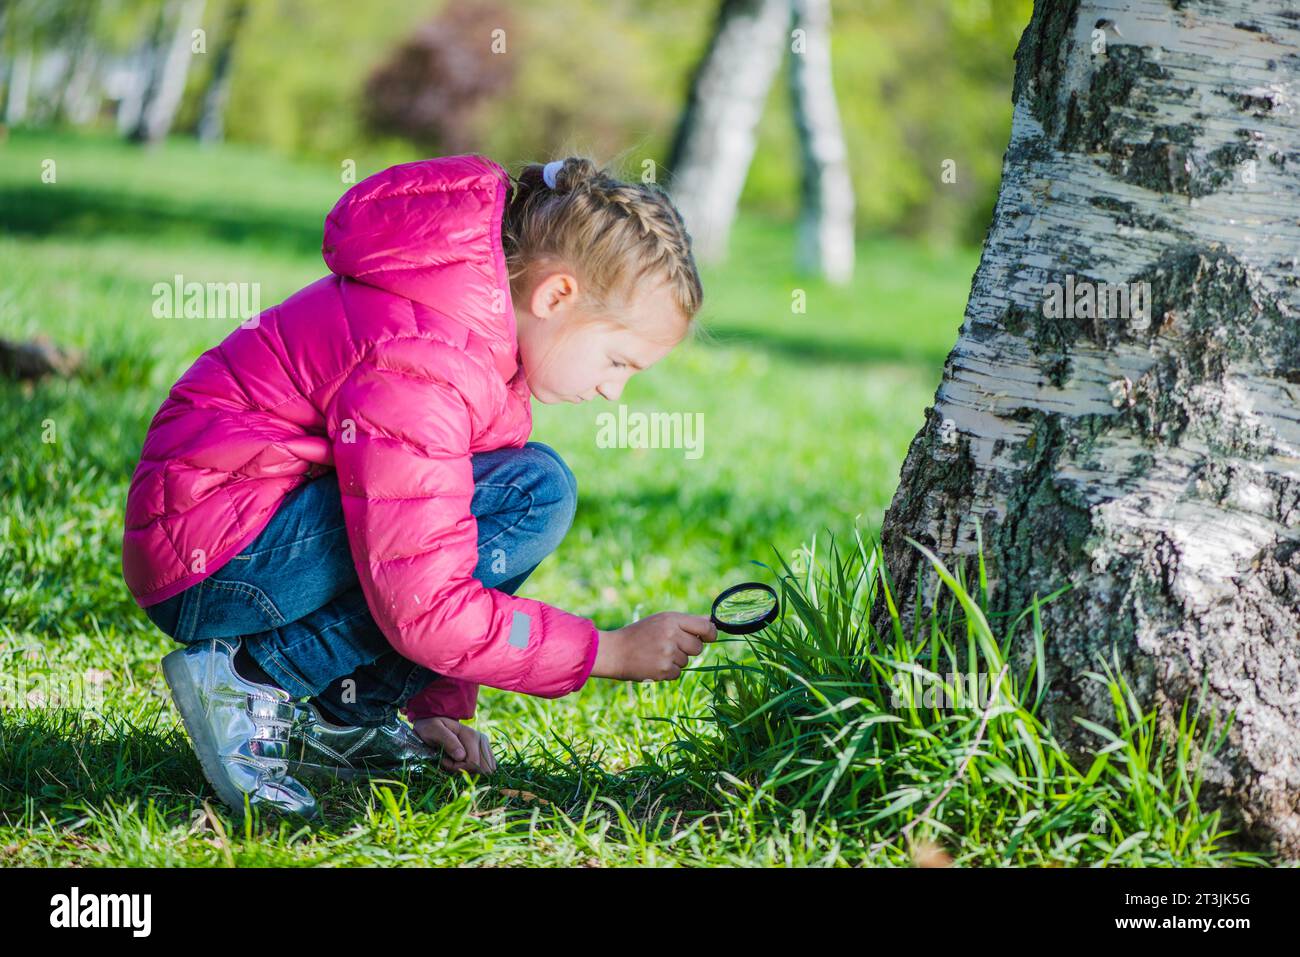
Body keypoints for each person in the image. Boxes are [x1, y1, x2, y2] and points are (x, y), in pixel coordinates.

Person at [122, 154, 717, 819]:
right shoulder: (429, 356)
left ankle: (344, 710)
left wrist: (427, 703)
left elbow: (434, 538)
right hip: (215, 552)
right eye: (617, 360)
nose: (613, 389)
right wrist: (607, 650)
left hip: (250, 537)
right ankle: (246, 680)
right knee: (531, 493)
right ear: (556, 295)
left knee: (526, 486)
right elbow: (423, 600)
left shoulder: (476, 340)